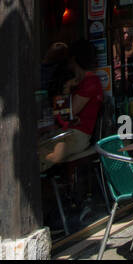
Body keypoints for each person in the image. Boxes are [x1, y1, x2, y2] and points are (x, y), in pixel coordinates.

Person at [38, 40, 103, 172]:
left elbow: (68, 113)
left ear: (74, 60)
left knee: (40, 155)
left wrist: (66, 89)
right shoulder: (81, 81)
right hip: (70, 132)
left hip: (76, 135)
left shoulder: (90, 81)